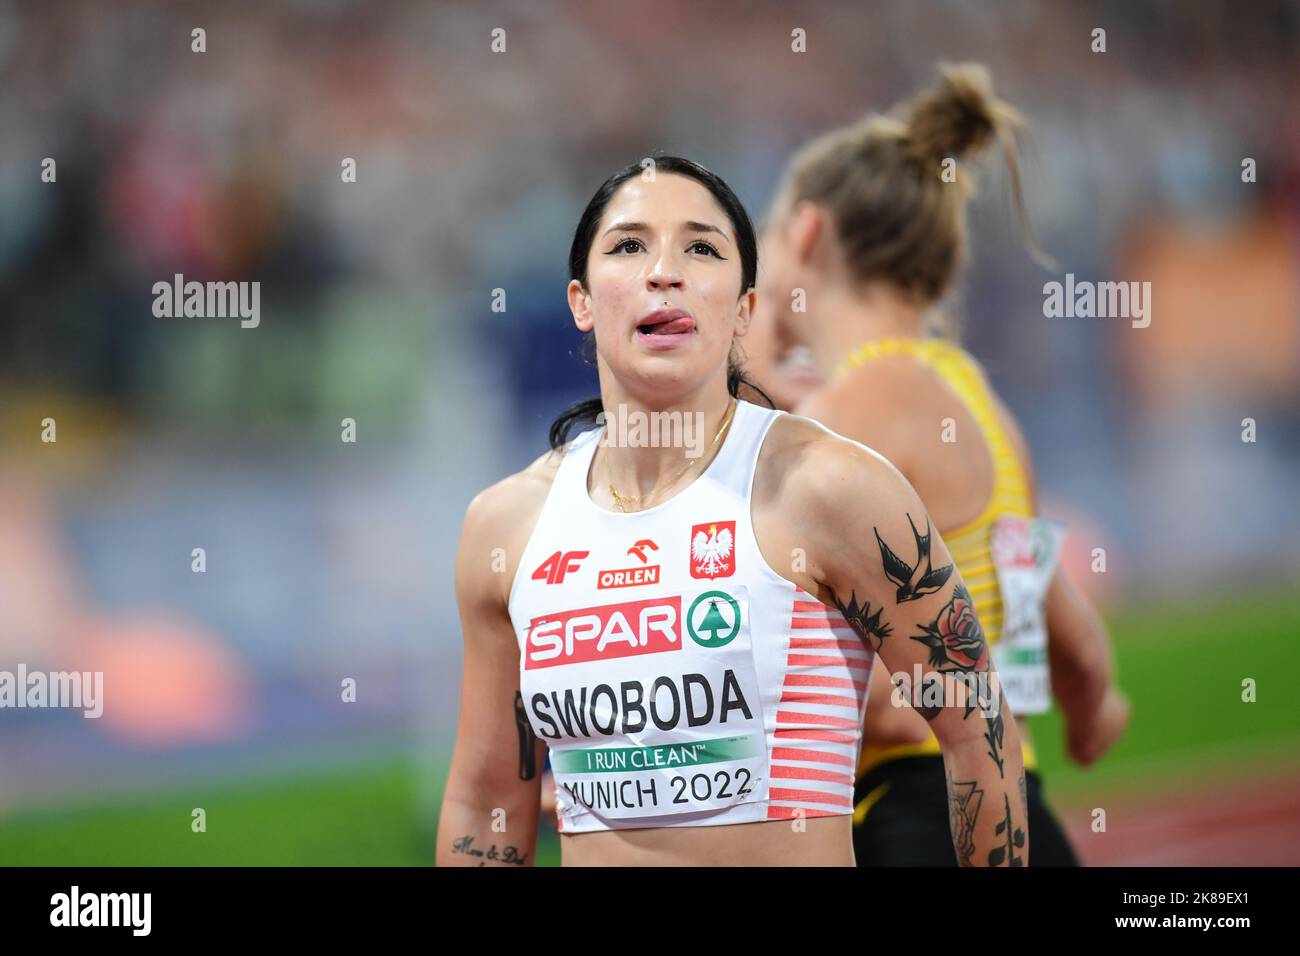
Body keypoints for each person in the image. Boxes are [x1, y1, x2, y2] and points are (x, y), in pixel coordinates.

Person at [436, 155, 1027, 867]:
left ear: (745, 307)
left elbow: (978, 729)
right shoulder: (505, 528)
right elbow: (487, 799)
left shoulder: (828, 488)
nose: (664, 271)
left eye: (702, 248)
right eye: (628, 245)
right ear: (581, 301)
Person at [753, 64, 1130, 866]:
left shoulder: (840, 422)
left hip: (914, 820)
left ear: (808, 233)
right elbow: (1068, 646)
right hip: (1023, 815)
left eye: (768, 231)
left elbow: (889, 710)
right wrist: (1096, 710)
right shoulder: (984, 409)